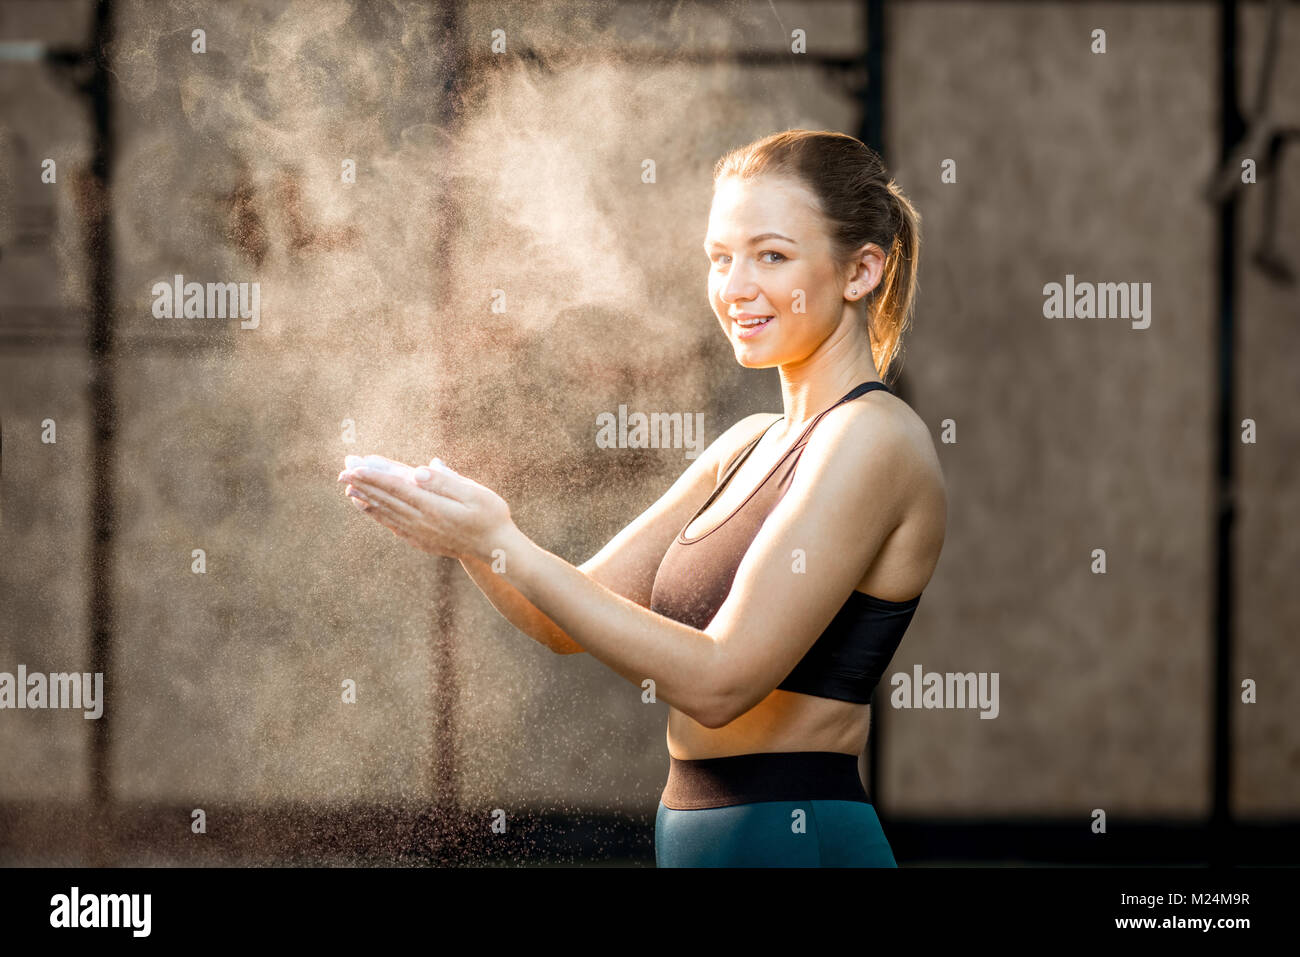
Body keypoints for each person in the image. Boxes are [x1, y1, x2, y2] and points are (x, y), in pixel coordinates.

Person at [338, 129, 947, 867]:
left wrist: (504, 539)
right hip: (699, 834)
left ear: (861, 271)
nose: (736, 287)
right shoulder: (746, 443)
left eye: (772, 255)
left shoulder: (874, 436)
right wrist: (469, 535)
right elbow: (559, 617)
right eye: (719, 259)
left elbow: (720, 682)